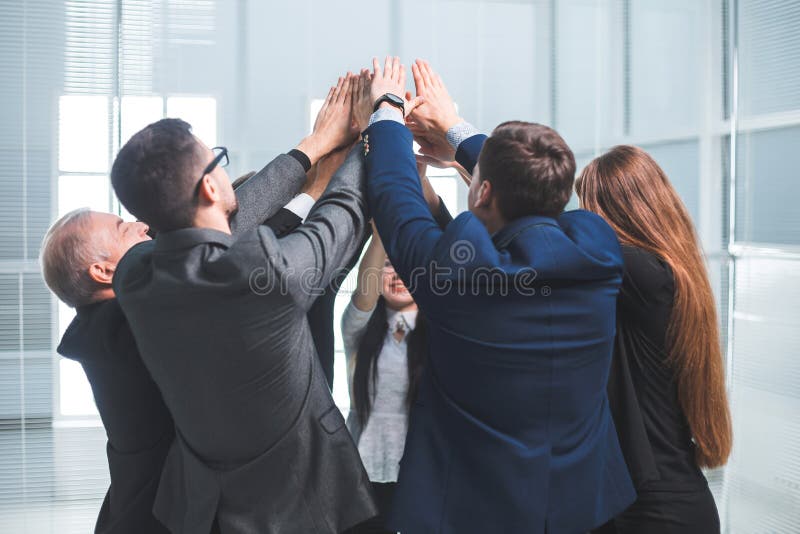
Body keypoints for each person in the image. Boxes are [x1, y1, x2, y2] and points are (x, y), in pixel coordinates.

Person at [353, 57, 635, 533]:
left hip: (473, 513)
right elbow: (543, 195)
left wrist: (385, 106)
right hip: (578, 508)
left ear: (482, 193)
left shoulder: (454, 276)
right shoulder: (599, 254)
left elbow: (394, 193)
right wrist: (456, 130)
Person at [109, 75, 376, 533]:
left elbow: (212, 230)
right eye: (217, 161)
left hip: (204, 510)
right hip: (308, 506)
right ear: (210, 188)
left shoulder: (134, 274)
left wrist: (314, 145)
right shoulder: (266, 272)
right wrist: (373, 133)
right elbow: (344, 214)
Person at [39, 139, 345, 533]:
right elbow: (224, 260)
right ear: (102, 272)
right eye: (123, 228)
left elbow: (208, 244)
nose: (141, 225)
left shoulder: (105, 327)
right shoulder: (126, 326)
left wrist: (308, 167)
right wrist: (312, 183)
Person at [576, 145, 732, 534]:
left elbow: (541, 226)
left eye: (588, 210)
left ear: (614, 214)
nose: (582, 221)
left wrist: (460, 138)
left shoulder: (643, 273)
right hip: (657, 503)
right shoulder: (663, 273)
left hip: (659, 514)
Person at [343, 160, 452, 534]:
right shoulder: (358, 329)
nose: (398, 274)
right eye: (390, 266)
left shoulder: (440, 329)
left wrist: (423, 188)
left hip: (421, 474)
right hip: (361, 478)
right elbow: (365, 290)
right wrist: (382, 233)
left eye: (407, 267)